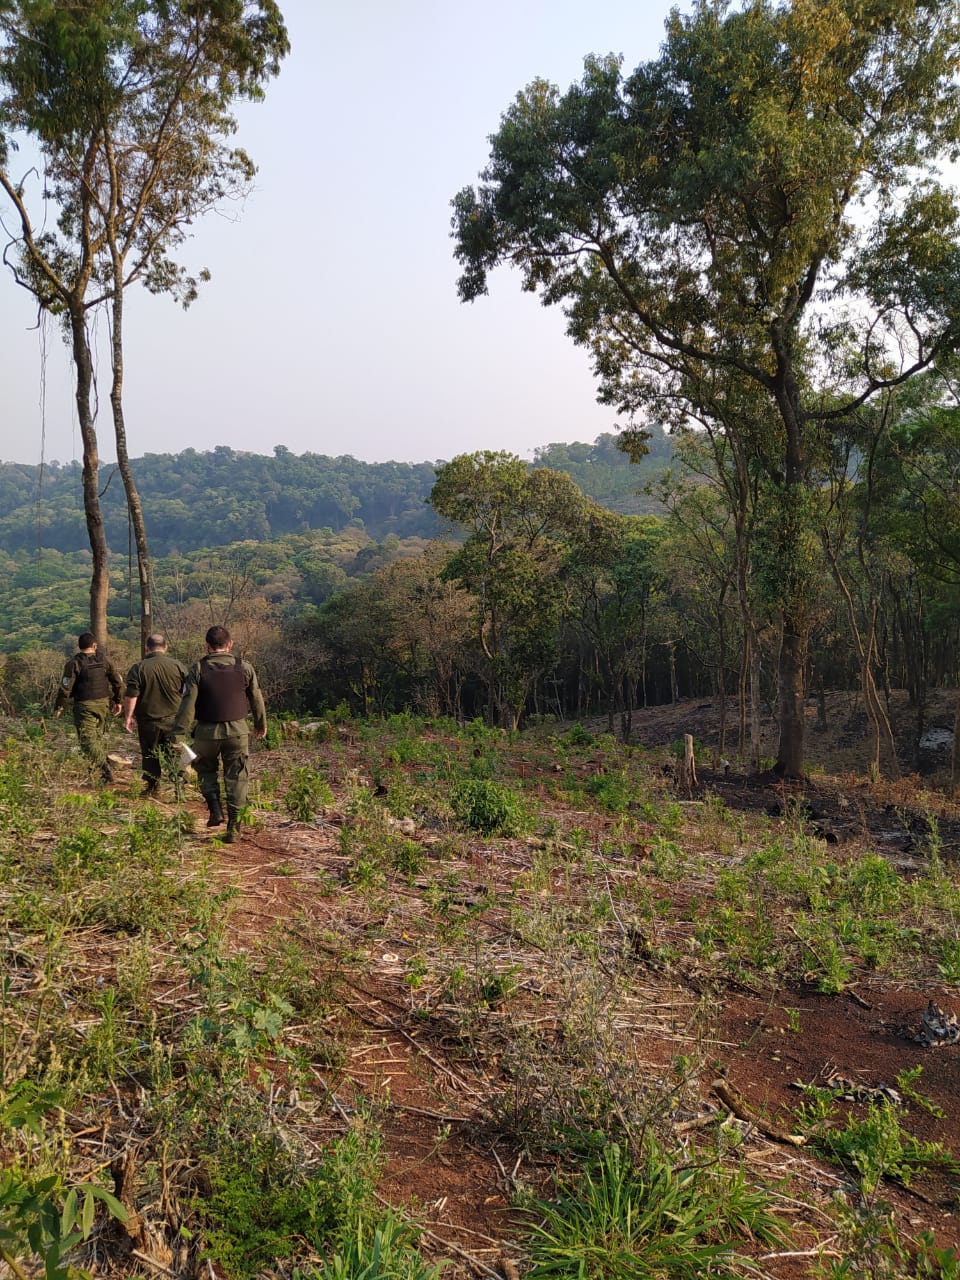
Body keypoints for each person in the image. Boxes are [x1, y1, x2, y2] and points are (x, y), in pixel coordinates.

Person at [173, 625, 267, 842]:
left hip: (206, 732)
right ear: (230, 644)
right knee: (237, 778)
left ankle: (215, 808)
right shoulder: (244, 667)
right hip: (237, 732)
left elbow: (188, 704)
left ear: (207, 646)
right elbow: (256, 697)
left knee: (205, 770)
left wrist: (178, 734)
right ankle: (234, 827)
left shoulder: (197, 669)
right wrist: (260, 724)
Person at [122, 633, 188, 796]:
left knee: (150, 754)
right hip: (174, 719)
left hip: (148, 721)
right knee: (175, 752)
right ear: (165, 647)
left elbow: (132, 695)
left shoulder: (139, 668)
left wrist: (128, 716)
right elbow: (188, 692)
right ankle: (179, 784)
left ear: (146, 648)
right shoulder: (178, 666)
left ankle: (153, 786)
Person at [54, 632, 124, 783]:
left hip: (85, 706)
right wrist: (118, 701)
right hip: (103, 704)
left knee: (87, 740)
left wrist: (59, 707)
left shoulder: (74, 663)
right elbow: (117, 681)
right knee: (96, 738)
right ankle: (94, 769)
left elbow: (65, 688)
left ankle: (105, 768)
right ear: (94, 645)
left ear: (80, 646)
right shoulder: (104, 661)